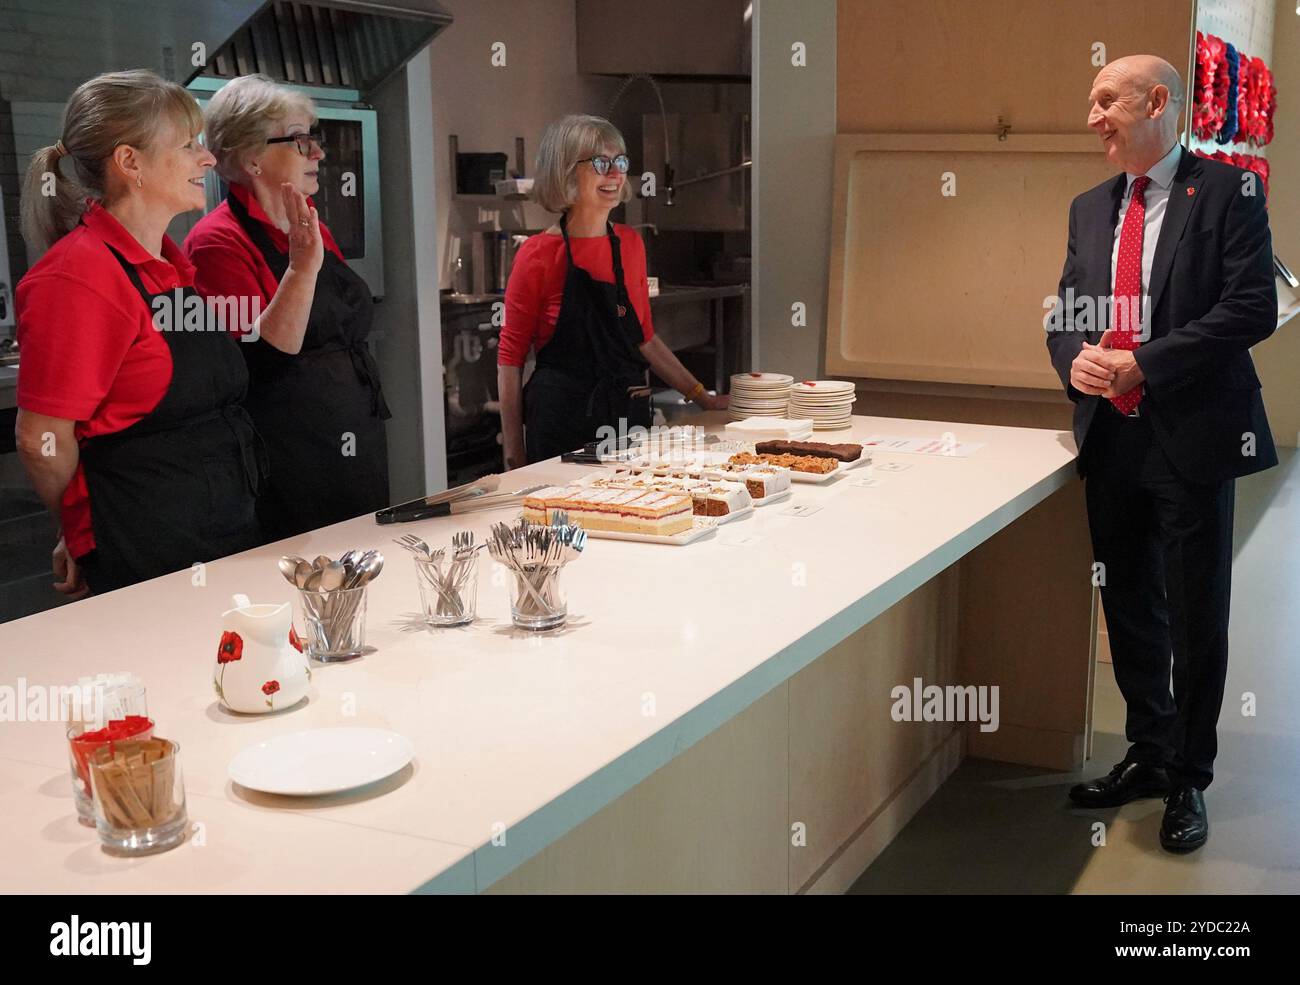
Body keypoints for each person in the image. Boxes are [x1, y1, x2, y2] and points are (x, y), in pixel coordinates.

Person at [1047, 55, 1277, 852]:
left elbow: (1251, 308)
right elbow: (1064, 309)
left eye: (1105, 101)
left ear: (1156, 102)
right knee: (1131, 602)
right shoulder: (1087, 207)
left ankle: (1188, 776)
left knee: (1193, 609)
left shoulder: (1228, 191)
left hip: (1194, 433)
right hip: (1112, 435)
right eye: (1090, 102)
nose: (1093, 118)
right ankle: (1148, 750)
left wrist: (1150, 361)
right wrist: (1072, 356)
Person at [15, 70, 264, 595]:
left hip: (219, 534)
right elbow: (41, 440)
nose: (208, 158)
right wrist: (81, 530)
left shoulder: (168, 266)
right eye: (188, 143)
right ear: (130, 163)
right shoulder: (77, 277)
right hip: (147, 551)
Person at [185, 74, 390, 541]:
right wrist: (301, 267)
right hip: (289, 454)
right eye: (301, 140)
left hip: (353, 436)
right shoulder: (217, 242)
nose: (318, 152)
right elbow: (264, 354)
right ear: (252, 156)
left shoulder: (308, 224)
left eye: (313, 139)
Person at [498, 114, 728, 466]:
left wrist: (704, 398)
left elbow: (645, 339)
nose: (616, 174)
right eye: (601, 163)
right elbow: (510, 361)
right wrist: (514, 455)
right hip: (562, 423)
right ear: (565, 172)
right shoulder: (537, 255)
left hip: (627, 418)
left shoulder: (629, 244)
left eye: (620, 162)